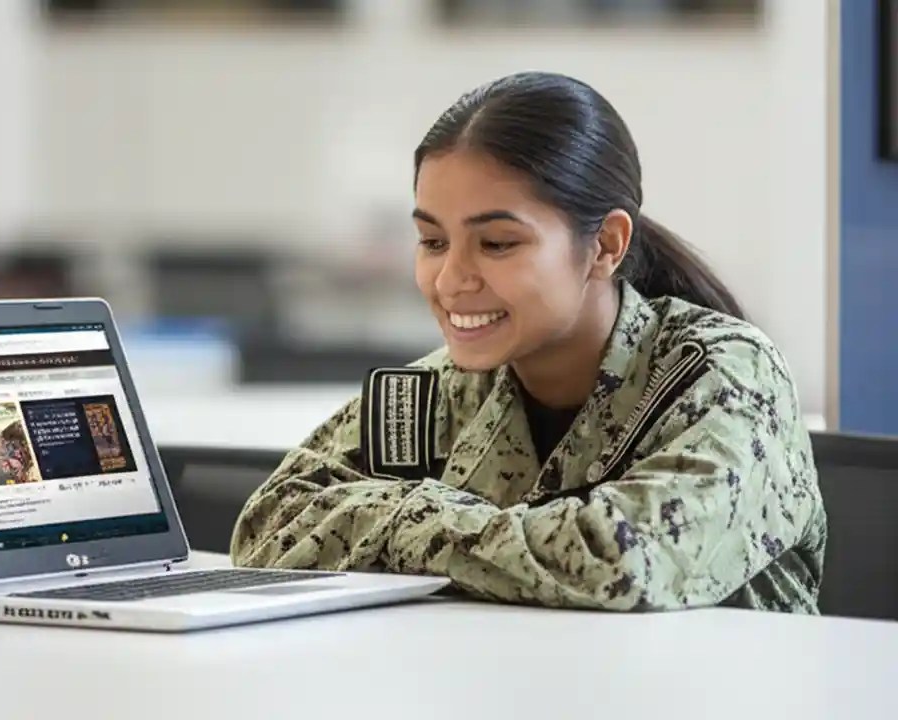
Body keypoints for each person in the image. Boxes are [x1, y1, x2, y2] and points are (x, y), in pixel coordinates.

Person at [228, 71, 827, 613]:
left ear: (606, 246)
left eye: (497, 244)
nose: (450, 280)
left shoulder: (724, 376)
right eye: (433, 242)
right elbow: (266, 529)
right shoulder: (438, 392)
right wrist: (460, 533)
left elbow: (622, 561)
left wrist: (409, 522)